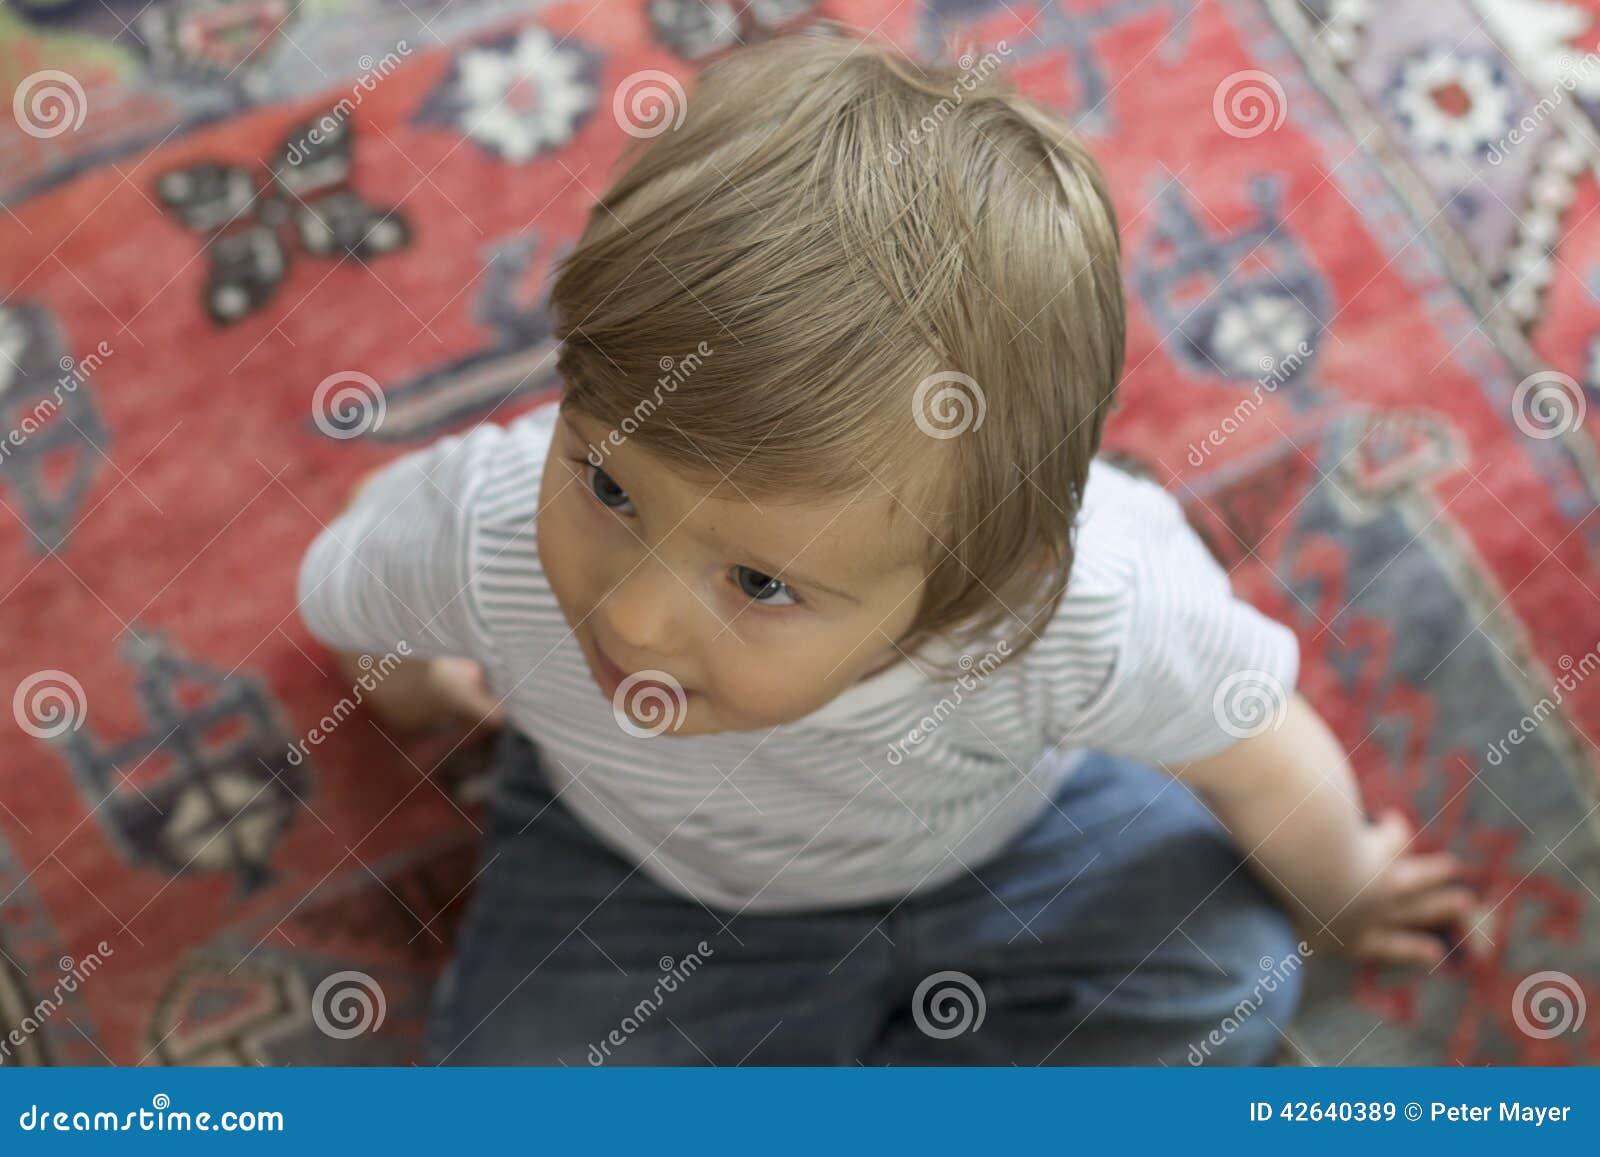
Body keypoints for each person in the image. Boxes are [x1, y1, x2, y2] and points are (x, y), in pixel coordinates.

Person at [296, 25, 1475, 1065]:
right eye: (608, 483)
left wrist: (1345, 884)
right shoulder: (486, 524)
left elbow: (1251, 741)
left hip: (1006, 852)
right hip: (643, 878)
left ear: (975, 589)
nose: (634, 619)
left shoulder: (1082, 606)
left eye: (758, 581)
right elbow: (355, 585)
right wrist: (398, 683)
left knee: (1223, 976)